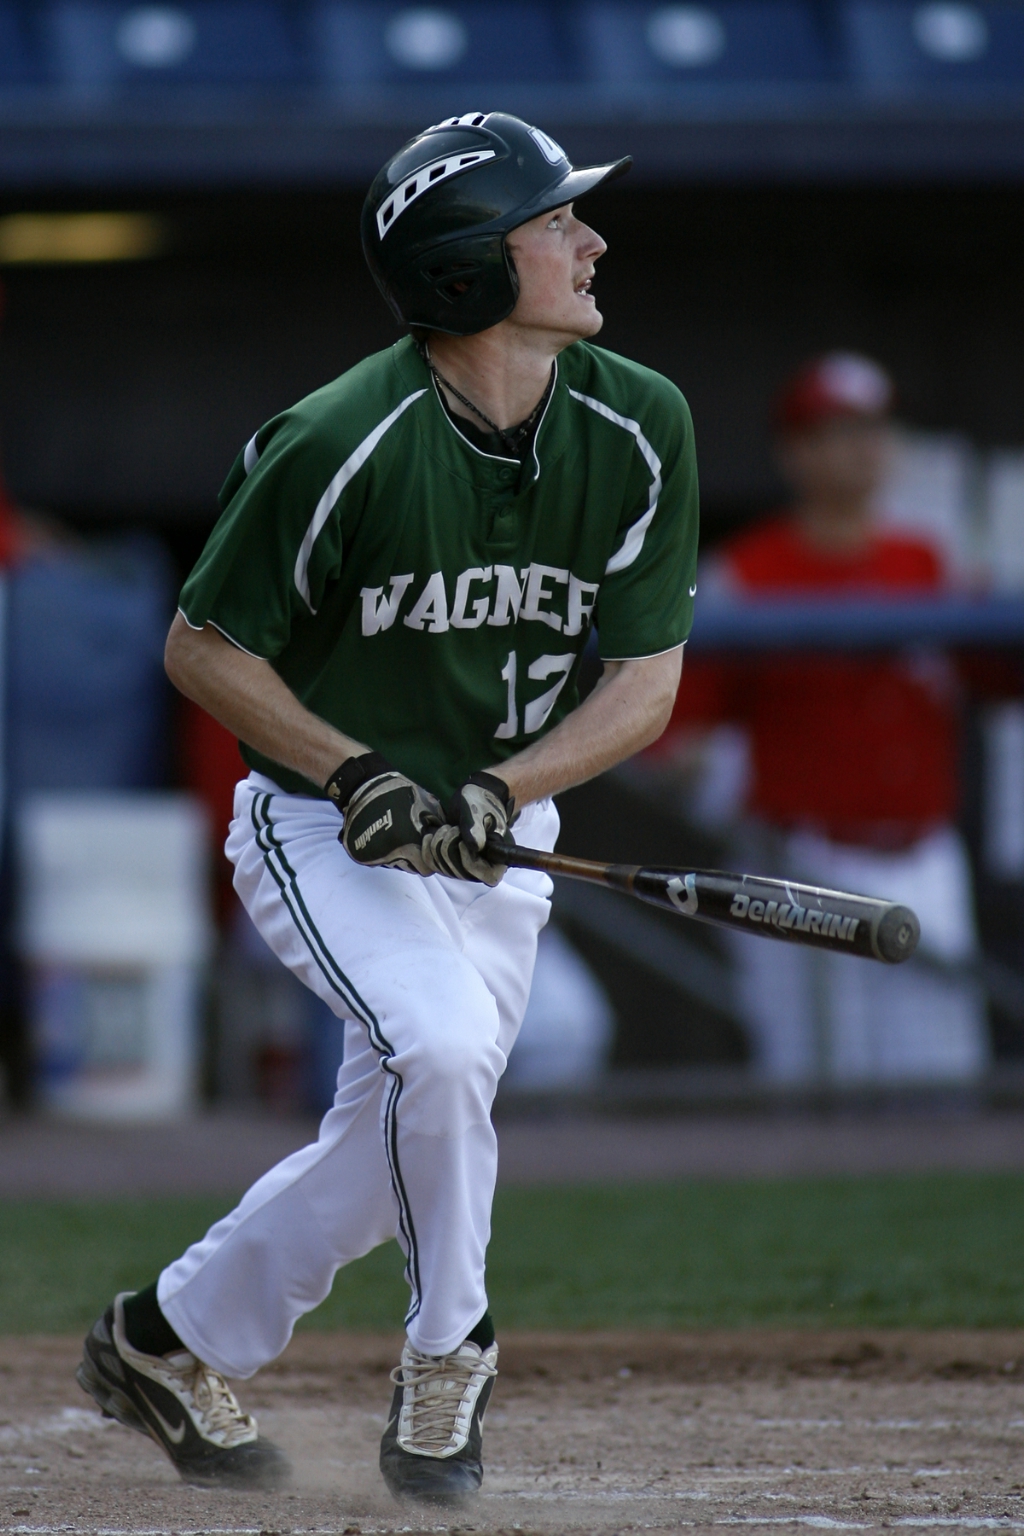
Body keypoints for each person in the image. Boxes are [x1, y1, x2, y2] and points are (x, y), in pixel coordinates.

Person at [75, 112, 698, 1502]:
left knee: (397, 1136)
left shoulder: (641, 422)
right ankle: (449, 1352)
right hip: (323, 826)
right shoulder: (338, 439)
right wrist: (360, 772)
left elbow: (643, 685)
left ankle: (164, 1340)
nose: (591, 242)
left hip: (494, 828)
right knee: (439, 1052)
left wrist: (493, 790)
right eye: (556, 224)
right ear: (472, 269)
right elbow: (202, 647)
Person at [654, 352, 987, 1088]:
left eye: (873, 429)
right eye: (837, 432)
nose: (863, 448)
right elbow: (671, 728)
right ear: (794, 451)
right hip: (801, 861)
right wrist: (731, 790)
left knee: (946, 1086)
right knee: (815, 1085)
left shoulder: (927, 561)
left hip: (924, 855)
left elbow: (996, 679)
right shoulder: (747, 570)